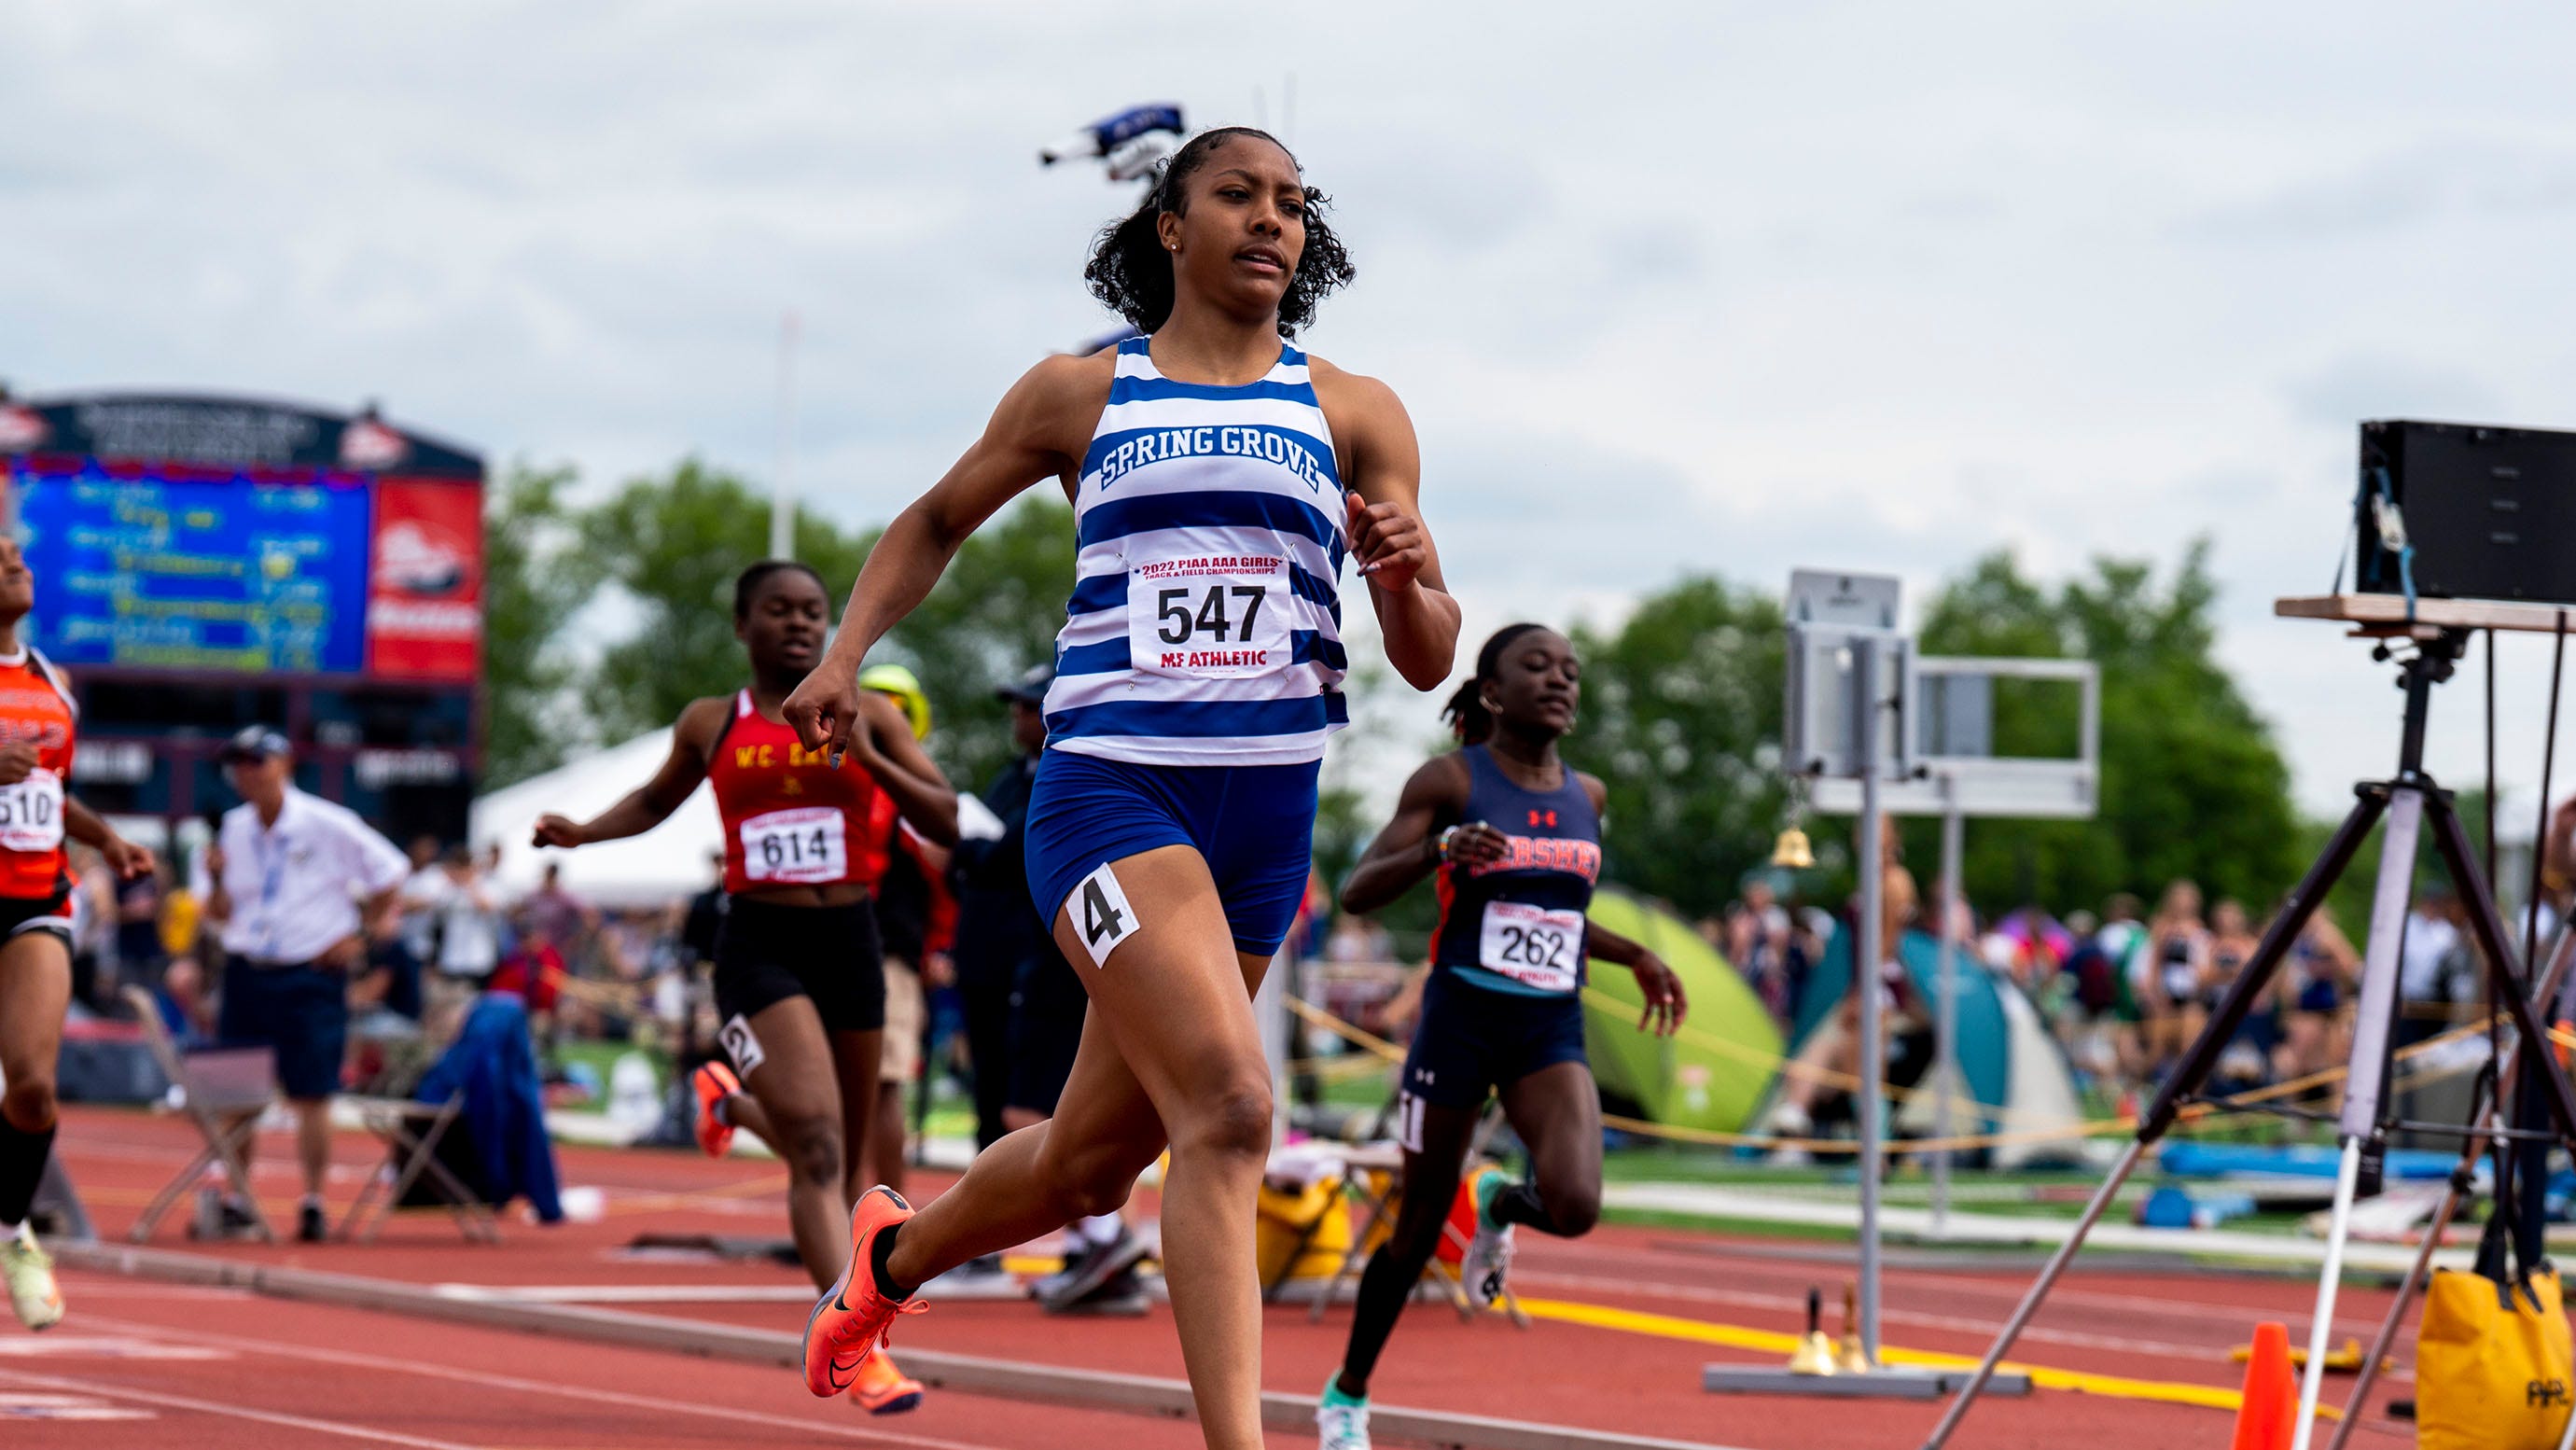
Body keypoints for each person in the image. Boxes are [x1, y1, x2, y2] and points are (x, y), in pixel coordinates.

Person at [785, 125, 1459, 1450]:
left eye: (1292, 204)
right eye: (1238, 195)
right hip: (1111, 793)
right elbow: (932, 520)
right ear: (1169, 223)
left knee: (1093, 1163)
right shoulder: (1081, 392)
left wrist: (1400, 574)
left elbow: (1431, 653)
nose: (1271, 220)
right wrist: (844, 655)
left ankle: (887, 1260)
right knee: (1232, 1108)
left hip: (1264, 819)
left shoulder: (1356, 409)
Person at [531, 559, 956, 1416]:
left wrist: (873, 757)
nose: (798, 624)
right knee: (820, 1147)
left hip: (852, 940)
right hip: (760, 943)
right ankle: (855, 1341)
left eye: (812, 611)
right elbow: (654, 801)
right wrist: (582, 834)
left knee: (844, 1154)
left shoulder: (867, 713)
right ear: (742, 625)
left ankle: (725, 1100)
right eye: (778, 610)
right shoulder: (711, 720)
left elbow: (943, 816)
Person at [1316, 624, 1682, 1450]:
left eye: (1570, 671)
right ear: (1491, 691)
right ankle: (1346, 1396)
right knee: (1415, 1230)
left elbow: (1557, 915)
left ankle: (1497, 1203)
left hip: (1547, 1025)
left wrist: (1636, 955)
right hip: (1460, 1022)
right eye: (1536, 667)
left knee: (1576, 1206)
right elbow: (1356, 891)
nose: (1558, 680)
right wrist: (1438, 849)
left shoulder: (1588, 795)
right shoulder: (1450, 780)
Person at [0, 535, 155, 1329]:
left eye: (19, 556)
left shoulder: (51, 681)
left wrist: (107, 839)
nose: (16, 565)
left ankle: (13, 1233)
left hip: (35, 896)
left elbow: (50, 789)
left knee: (31, 1087)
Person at [198, 726, 410, 1243]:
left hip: (310, 972)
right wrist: (218, 877)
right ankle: (237, 1200)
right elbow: (217, 912)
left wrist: (360, 935)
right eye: (237, 763)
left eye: (257, 761)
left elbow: (391, 872)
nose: (246, 772)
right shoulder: (230, 830)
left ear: (285, 764)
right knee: (236, 1092)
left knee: (312, 1091)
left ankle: (313, 1200)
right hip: (248, 967)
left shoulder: (327, 823)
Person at [855, 662, 955, 1202]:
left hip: (887, 953)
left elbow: (941, 877)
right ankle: (852, 1212)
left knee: (882, 1083)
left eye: (891, 706)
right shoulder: (854, 779)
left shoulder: (911, 794)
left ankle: (886, 1215)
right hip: (850, 945)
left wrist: (936, 948)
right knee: (855, 1086)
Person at [951, 665, 1054, 1155]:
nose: (1018, 715)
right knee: (989, 1089)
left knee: (1026, 1099)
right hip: (983, 957)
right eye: (1017, 705)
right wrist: (969, 856)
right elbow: (976, 855)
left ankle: (1042, 1193)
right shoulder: (1010, 777)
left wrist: (963, 852)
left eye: (1030, 706)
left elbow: (1005, 854)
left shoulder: (1062, 774)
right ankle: (988, 1185)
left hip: (1033, 958)